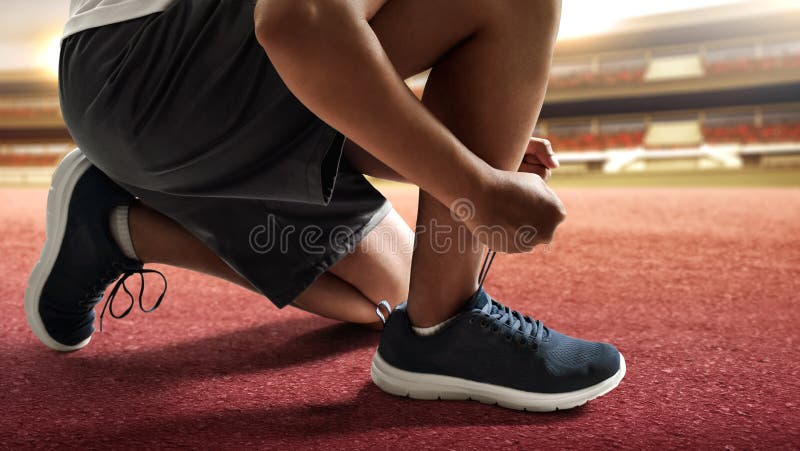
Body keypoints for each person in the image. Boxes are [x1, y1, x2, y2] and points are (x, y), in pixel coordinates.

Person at [25, 0, 625, 412]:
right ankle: (446, 326)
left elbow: (318, 51)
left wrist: (454, 141)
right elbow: (301, 25)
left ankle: (115, 224)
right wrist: (478, 190)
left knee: (388, 297)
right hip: (161, 68)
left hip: (154, 105)